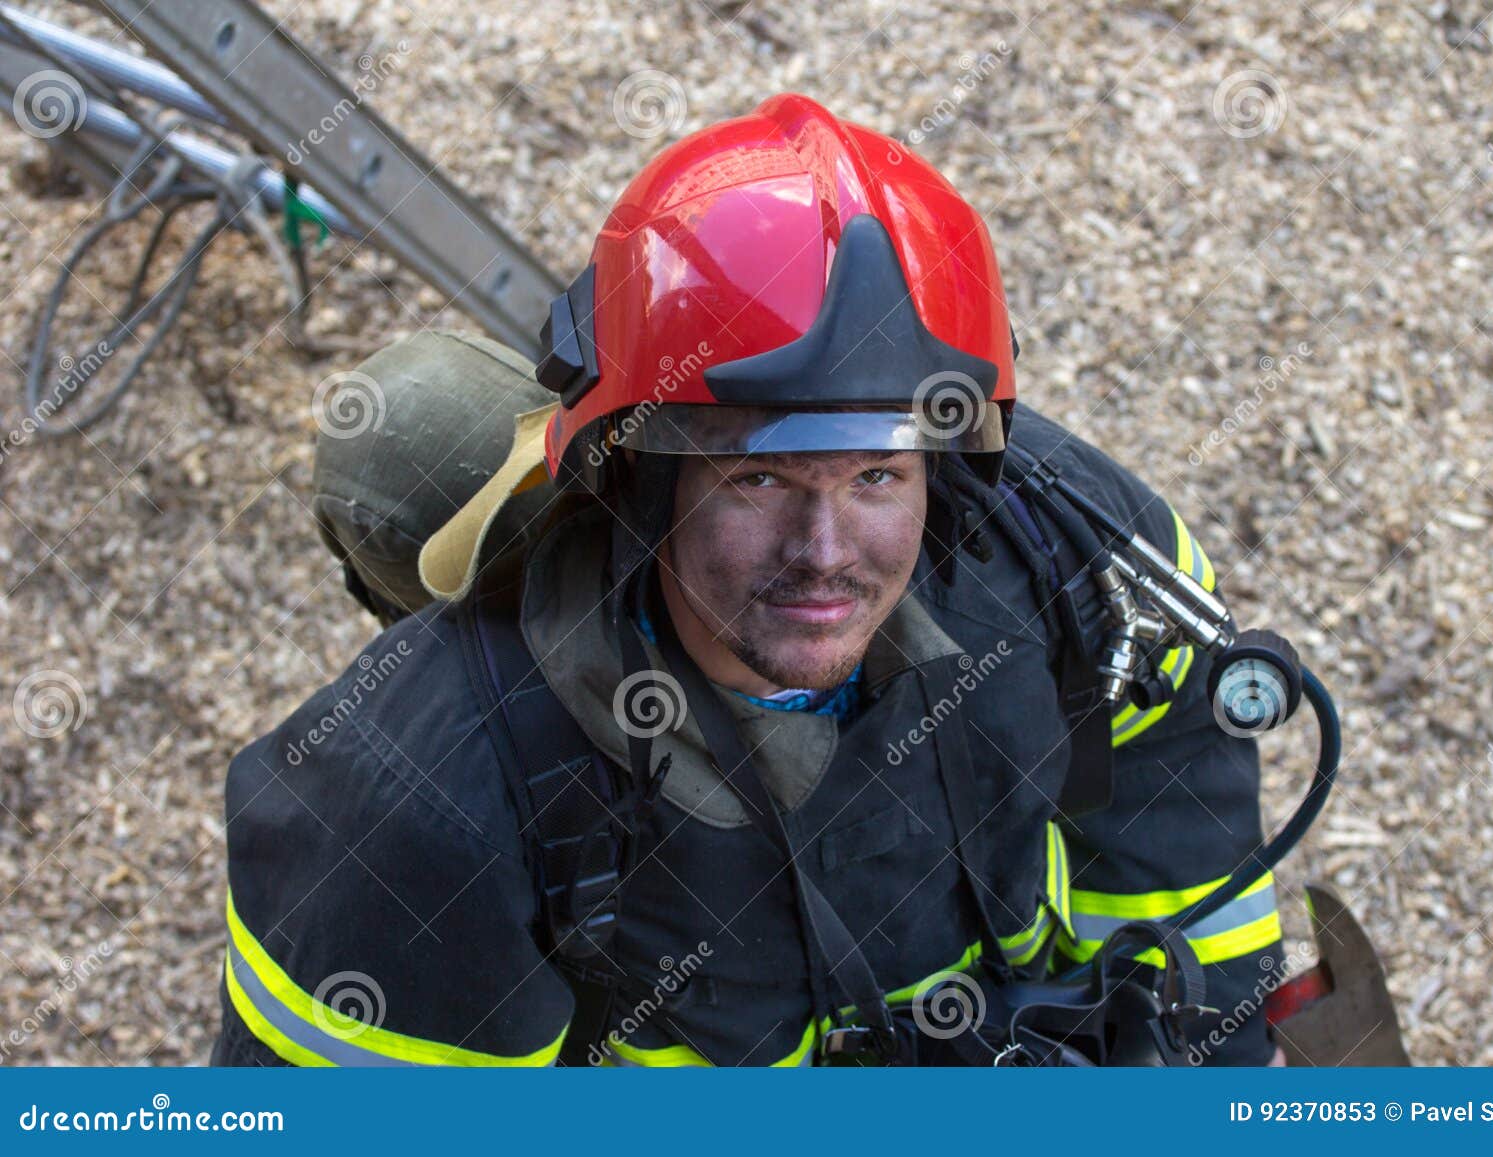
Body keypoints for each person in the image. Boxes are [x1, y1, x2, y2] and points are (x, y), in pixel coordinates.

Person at [211, 93, 1286, 1067]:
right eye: (757, 474)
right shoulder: (421, 810)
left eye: (876, 473)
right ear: (635, 477)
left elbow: (1186, 865)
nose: (824, 550)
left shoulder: (1070, 550)